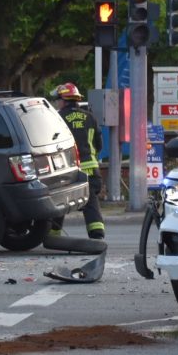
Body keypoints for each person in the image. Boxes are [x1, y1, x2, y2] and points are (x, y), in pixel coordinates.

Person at [50, 82, 105, 240]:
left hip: (67, 171)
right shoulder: (90, 117)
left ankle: (53, 236)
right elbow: (99, 145)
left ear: (63, 100)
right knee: (90, 201)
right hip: (91, 172)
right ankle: (97, 234)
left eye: (57, 100)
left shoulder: (57, 118)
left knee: (60, 201)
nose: (57, 103)